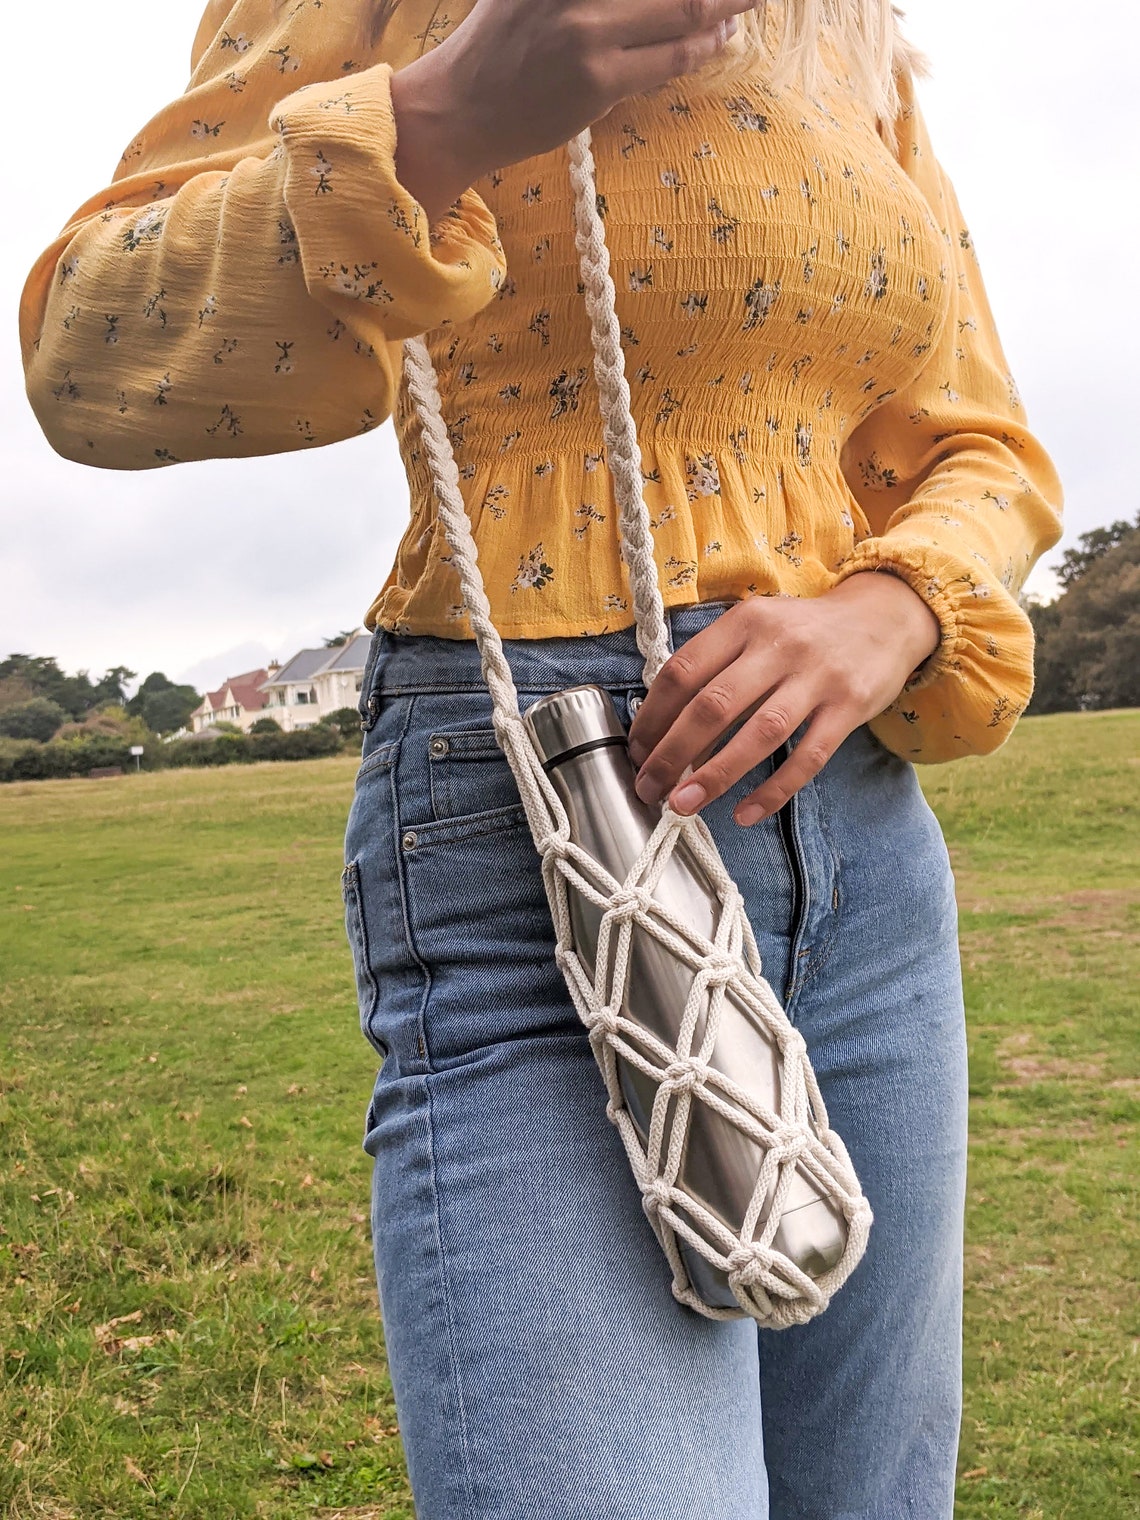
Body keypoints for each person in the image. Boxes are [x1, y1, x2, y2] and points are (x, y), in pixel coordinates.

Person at [19, 1, 1063, 1514]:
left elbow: (982, 440)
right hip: (542, 817)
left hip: (866, 846)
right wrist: (440, 115)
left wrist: (894, 605)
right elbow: (86, 353)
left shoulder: (846, 32)